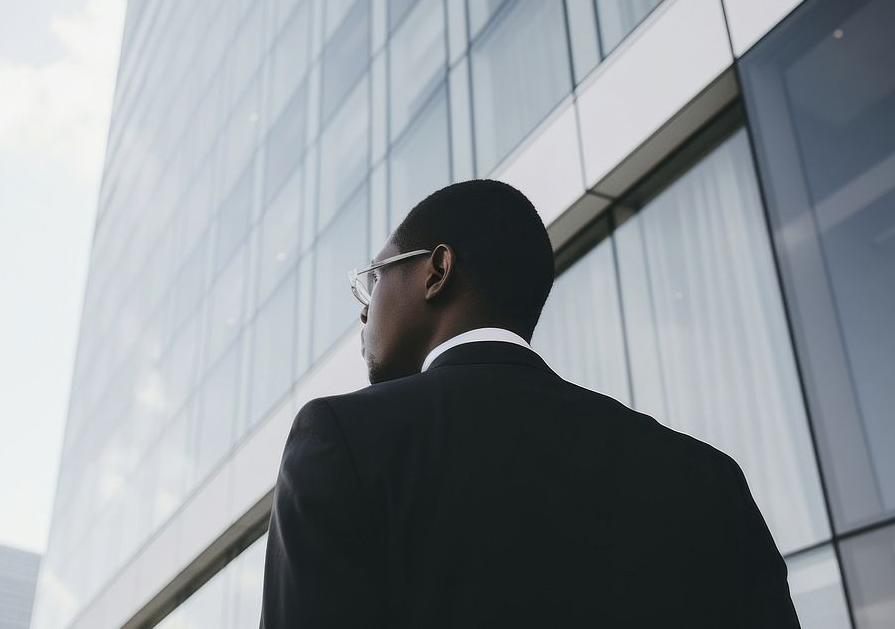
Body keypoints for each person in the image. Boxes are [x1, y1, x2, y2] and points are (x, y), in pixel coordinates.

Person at [259, 179, 800, 627]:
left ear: (437, 271)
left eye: (373, 279)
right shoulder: (707, 475)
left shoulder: (341, 438)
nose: (364, 310)